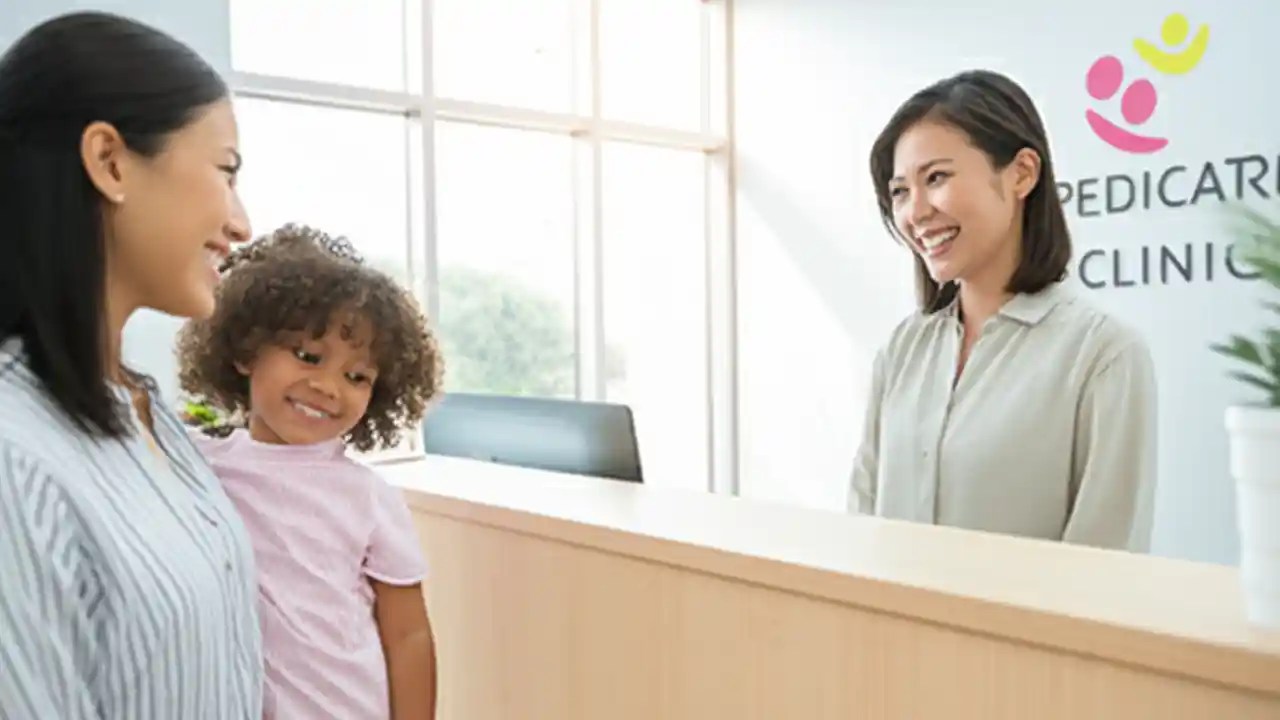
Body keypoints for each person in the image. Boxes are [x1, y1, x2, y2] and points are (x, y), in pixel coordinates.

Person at [0, 12, 261, 719]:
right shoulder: (15, 460)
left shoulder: (151, 417)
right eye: (225, 171)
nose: (242, 223)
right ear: (110, 161)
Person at [849, 70, 1157, 552]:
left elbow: (1106, 571)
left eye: (937, 178)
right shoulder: (902, 351)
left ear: (1022, 174)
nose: (916, 211)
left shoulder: (1103, 355)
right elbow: (861, 528)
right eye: (900, 191)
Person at [177, 225, 443, 719]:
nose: (327, 386)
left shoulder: (368, 498)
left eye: (357, 376)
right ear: (244, 351)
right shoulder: (194, 462)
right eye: (308, 356)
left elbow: (408, 634)